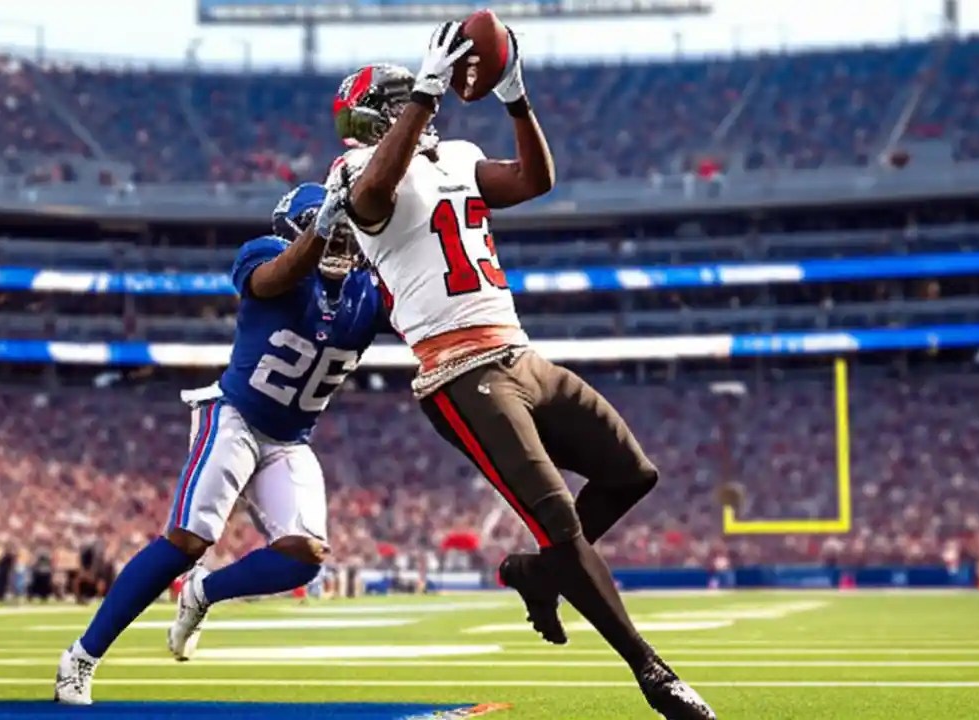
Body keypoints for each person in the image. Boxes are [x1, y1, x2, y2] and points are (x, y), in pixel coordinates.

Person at [328, 22, 716, 720]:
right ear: (378, 115)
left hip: (520, 353)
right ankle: (652, 672)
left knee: (633, 473)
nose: (433, 110)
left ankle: (538, 574)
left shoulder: (456, 157)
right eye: (410, 103)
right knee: (560, 520)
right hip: (457, 372)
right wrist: (420, 92)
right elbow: (374, 199)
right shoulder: (355, 171)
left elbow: (534, 180)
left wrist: (515, 97)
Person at [54, 183, 384, 705]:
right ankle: (81, 657)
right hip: (234, 415)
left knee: (305, 556)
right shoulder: (265, 254)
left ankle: (205, 592)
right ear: (299, 229)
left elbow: (421, 305)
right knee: (188, 540)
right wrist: (323, 229)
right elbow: (274, 279)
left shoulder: (369, 291)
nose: (341, 243)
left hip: (291, 438)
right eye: (330, 230)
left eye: (349, 233)